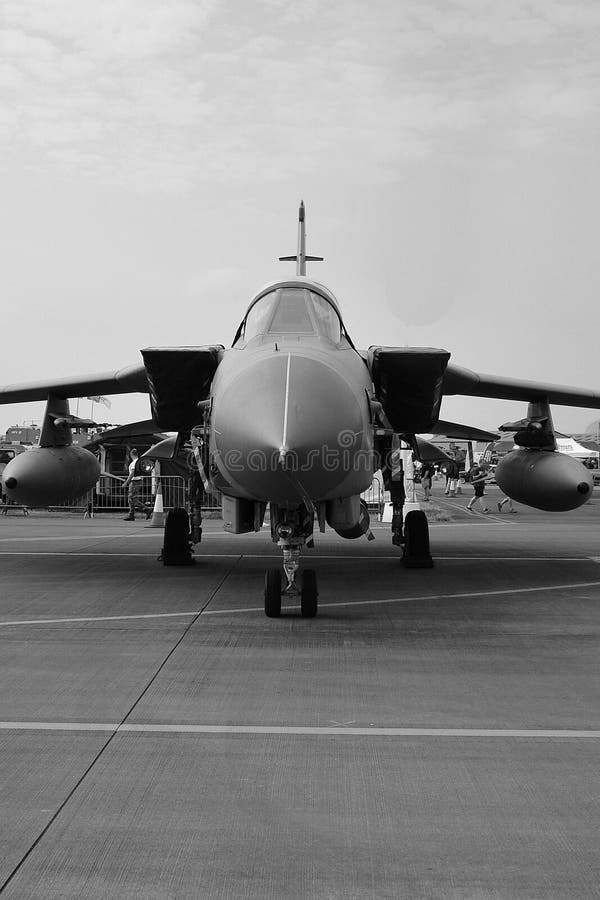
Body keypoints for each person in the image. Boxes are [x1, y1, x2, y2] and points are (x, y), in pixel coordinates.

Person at [122, 449, 151, 521]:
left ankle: (146, 509)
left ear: (131, 454)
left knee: (132, 498)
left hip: (135, 481)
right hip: (138, 480)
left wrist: (126, 482)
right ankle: (131, 515)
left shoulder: (134, 462)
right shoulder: (140, 461)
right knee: (130, 499)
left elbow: (132, 473)